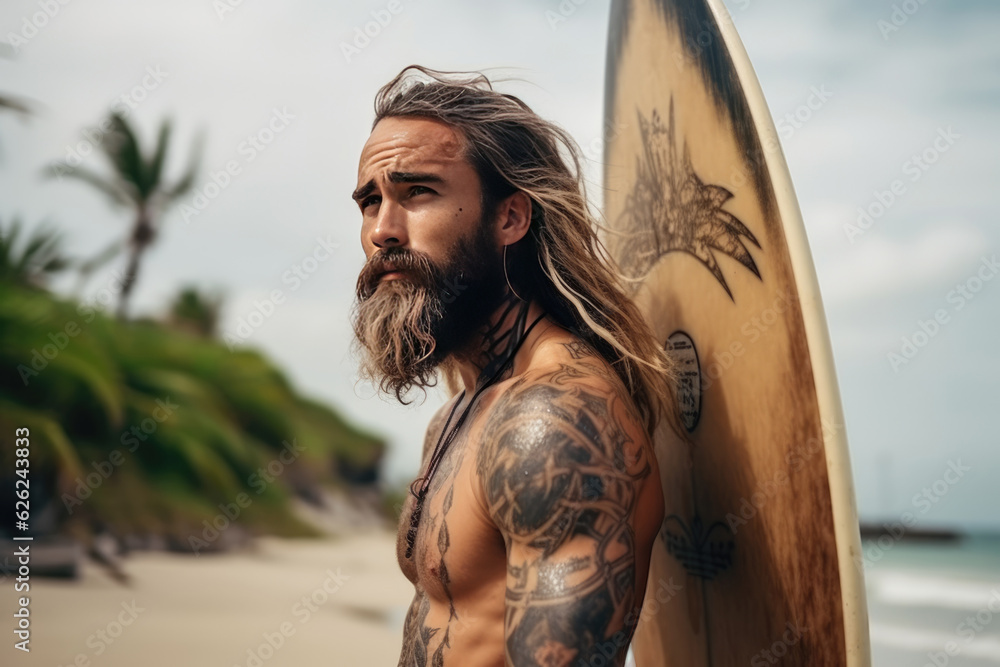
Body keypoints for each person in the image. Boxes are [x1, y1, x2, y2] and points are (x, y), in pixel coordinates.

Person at [351, 65, 679, 667]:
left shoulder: (554, 423)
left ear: (511, 218)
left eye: (416, 192)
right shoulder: (462, 412)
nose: (382, 231)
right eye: (371, 202)